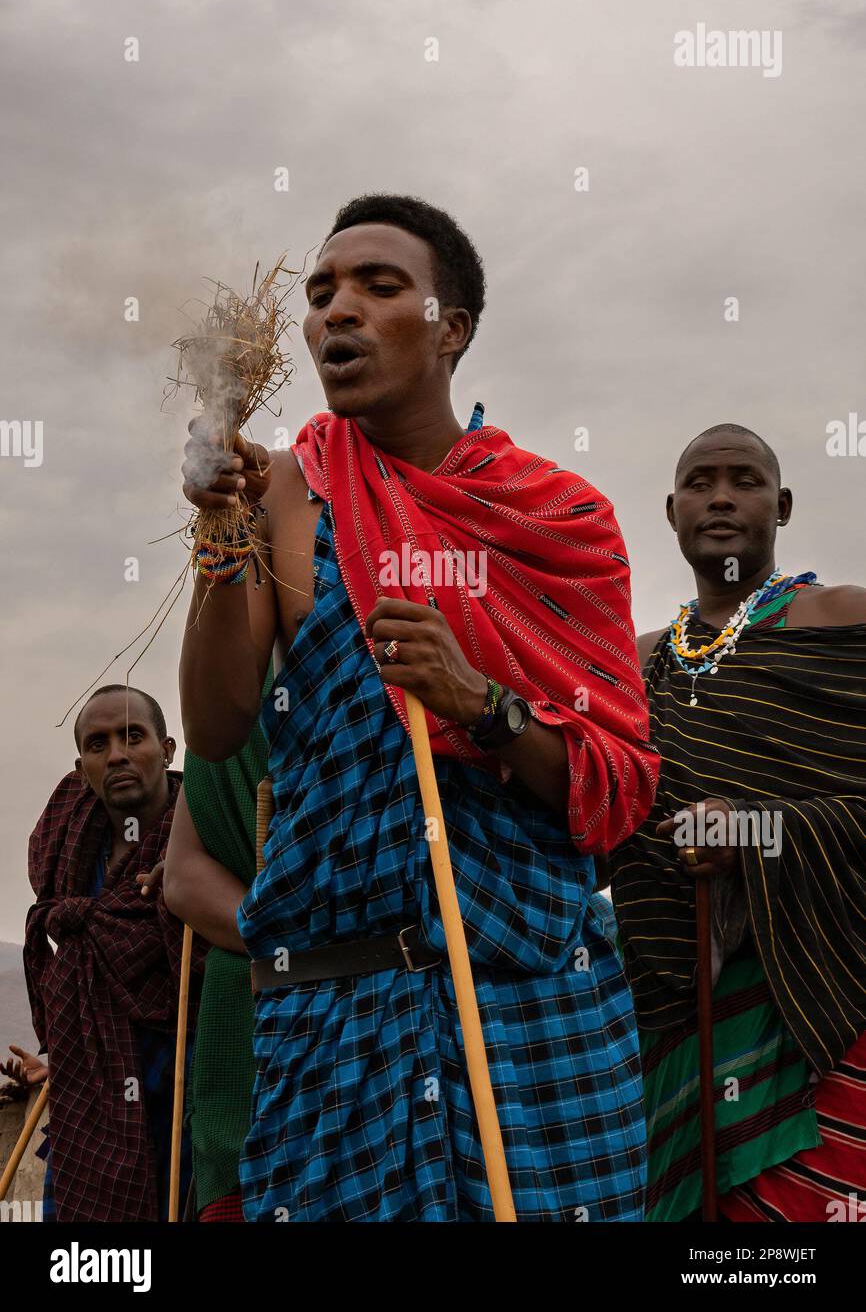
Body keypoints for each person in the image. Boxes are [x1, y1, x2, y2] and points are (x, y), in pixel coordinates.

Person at [180, 192, 659, 1222]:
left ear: (450, 328)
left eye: (376, 286)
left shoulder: (559, 517)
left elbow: (615, 783)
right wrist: (220, 536)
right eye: (320, 295)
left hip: (525, 1015)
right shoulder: (283, 495)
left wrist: (480, 703)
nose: (336, 312)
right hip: (332, 1012)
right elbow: (217, 725)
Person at [610, 424, 866, 1221]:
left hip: (819, 995)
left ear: (782, 506)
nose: (721, 497)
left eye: (745, 481)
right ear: (670, 510)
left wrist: (754, 831)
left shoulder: (840, 620)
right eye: (700, 482)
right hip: (676, 1014)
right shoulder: (633, 661)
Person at [12, 685, 201, 1221]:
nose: (116, 754)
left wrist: (181, 892)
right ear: (82, 766)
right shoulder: (62, 849)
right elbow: (90, 982)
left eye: (132, 736)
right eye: (98, 744)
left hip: (184, 1077)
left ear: (167, 749)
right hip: (87, 1092)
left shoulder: (205, 834)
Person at [162, 675, 272, 1223]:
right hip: (243, 1028)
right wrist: (289, 945)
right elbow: (182, 879)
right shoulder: (230, 712)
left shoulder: (400, 666)